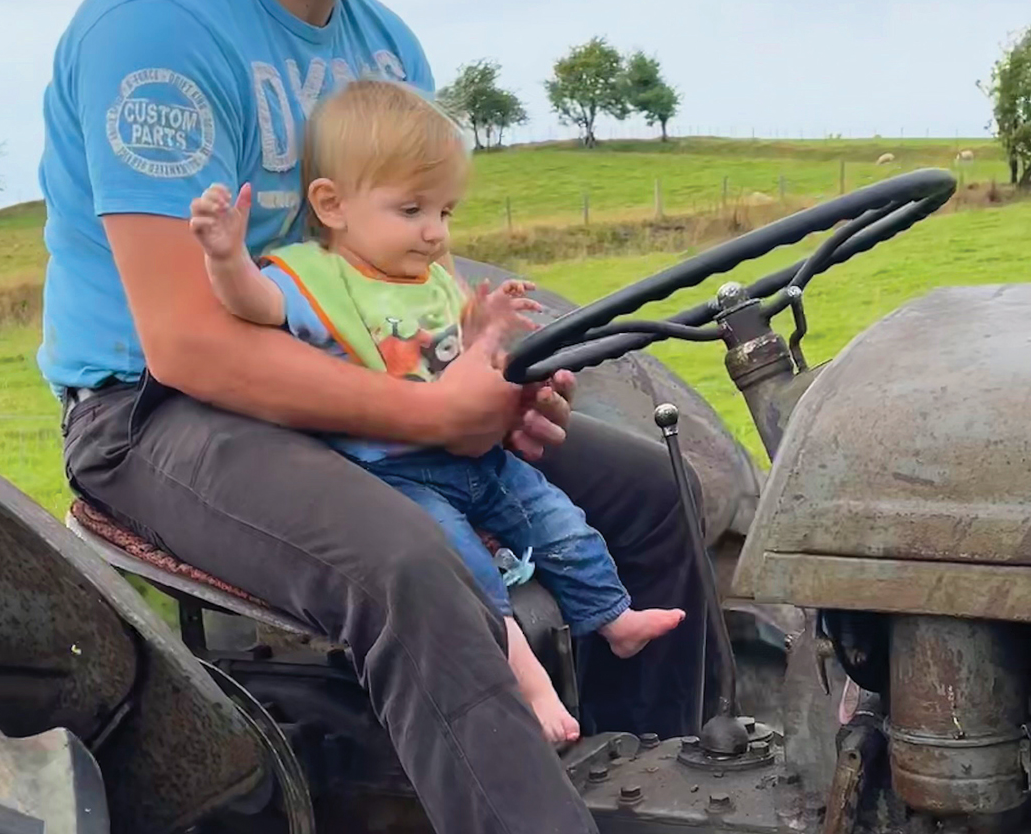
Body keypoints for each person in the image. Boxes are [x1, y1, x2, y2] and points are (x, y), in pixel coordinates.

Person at [37, 0, 706, 834]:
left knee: (650, 494)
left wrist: (492, 373)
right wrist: (437, 417)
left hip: (355, 379)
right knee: (407, 565)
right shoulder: (159, 29)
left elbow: (408, 264)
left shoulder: (383, 46)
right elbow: (188, 340)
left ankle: (660, 786)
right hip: (156, 412)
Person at [187, 79, 685, 745]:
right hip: (398, 472)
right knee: (464, 570)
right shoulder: (314, 278)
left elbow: (460, 346)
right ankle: (530, 683)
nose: (434, 231)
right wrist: (224, 256)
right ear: (332, 205)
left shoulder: (426, 279)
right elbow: (255, 305)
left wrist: (488, 321)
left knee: (565, 526)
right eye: (413, 209)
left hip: (482, 459)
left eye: (446, 213)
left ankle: (613, 619)